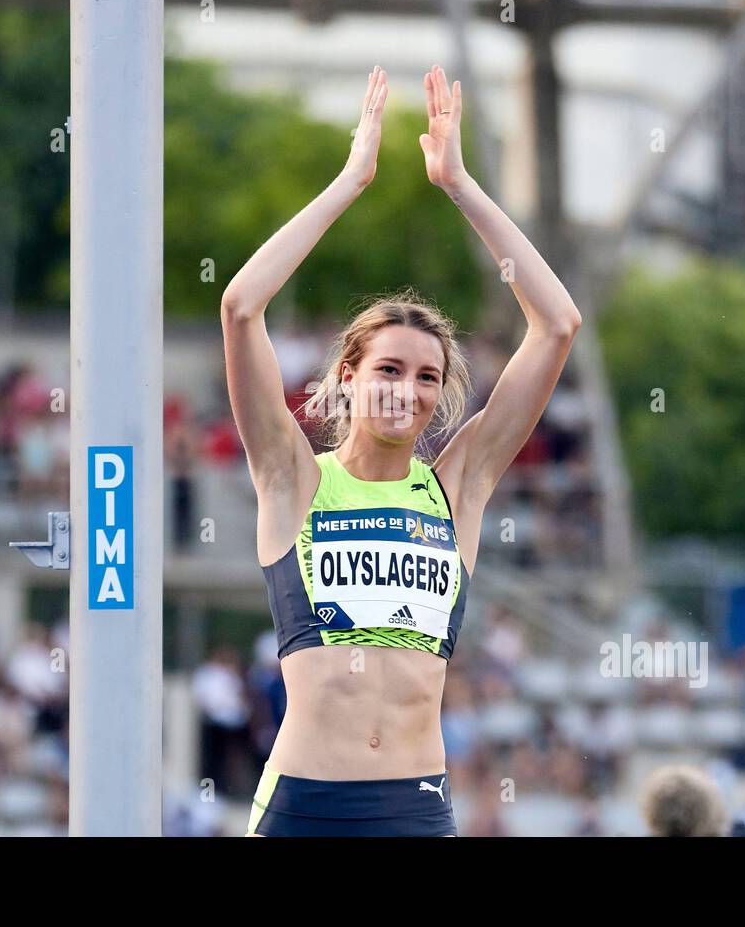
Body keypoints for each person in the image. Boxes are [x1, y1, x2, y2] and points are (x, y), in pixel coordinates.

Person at [222, 64, 581, 836]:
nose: (407, 390)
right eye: (388, 368)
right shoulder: (293, 479)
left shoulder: (458, 486)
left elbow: (555, 325)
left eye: (427, 376)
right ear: (349, 376)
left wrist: (457, 183)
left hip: (414, 807)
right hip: (302, 805)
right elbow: (242, 305)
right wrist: (351, 180)